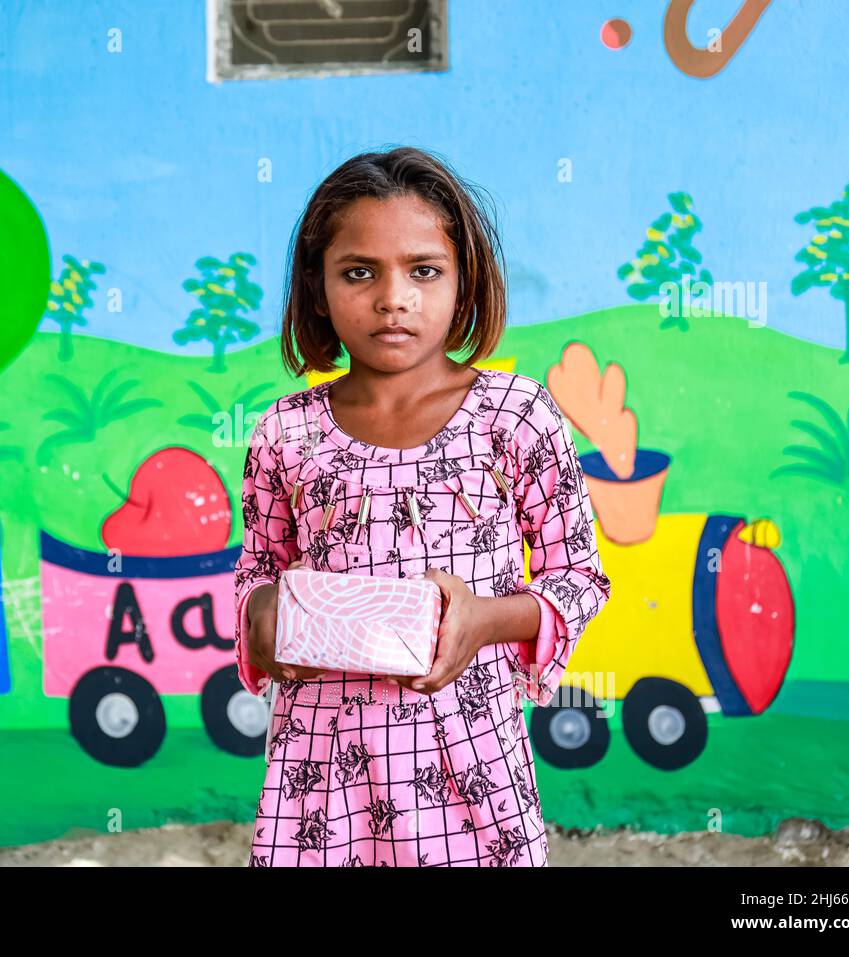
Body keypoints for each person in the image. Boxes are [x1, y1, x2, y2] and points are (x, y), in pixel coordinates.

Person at [233, 145, 612, 867]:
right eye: (358, 272)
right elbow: (259, 571)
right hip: (321, 774)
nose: (392, 298)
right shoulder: (285, 431)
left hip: (468, 767)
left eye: (423, 271)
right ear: (317, 286)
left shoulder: (514, 416)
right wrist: (264, 616)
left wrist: (483, 620)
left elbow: (580, 577)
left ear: (463, 282)